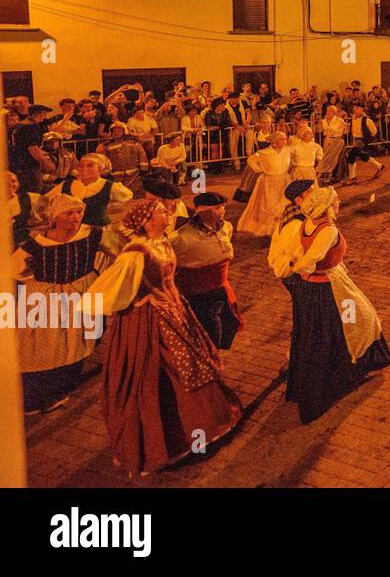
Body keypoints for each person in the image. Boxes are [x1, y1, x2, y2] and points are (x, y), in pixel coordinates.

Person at [88, 199, 242, 477]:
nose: (167, 214)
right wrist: (136, 303)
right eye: (160, 212)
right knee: (155, 378)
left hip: (175, 311)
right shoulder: (135, 254)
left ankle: (198, 428)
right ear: (146, 222)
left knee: (187, 370)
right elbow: (105, 293)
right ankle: (160, 444)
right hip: (148, 321)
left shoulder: (164, 242)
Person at [273, 187, 390, 423]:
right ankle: (342, 375)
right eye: (335, 201)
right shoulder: (328, 230)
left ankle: (316, 382)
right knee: (357, 322)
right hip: (326, 286)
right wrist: (303, 268)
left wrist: (299, 269)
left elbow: (298, 254)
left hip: (313, 287)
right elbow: (310, 260)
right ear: (326, 206)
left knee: (317, 335)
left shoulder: (306, 223)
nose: (338, 203)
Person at [11, 194, 108, 414]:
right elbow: (13, 270)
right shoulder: (34, 246)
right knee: (40, 349)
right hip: (46, 298)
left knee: (77, 342)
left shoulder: (93, 234)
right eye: (69, 213)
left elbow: (121, 249)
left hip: (81, 293)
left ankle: (62, 388)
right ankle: (36, 397)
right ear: (55, 218)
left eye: (79, 212)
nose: (76, 217)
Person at [172, 192, 242, 350]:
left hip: (220, 288)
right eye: (217, 208)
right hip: (197, 293)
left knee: (226, 325)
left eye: (223, 207)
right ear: (200, 210)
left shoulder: (226, 227)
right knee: (209, 330)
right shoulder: (182, 237)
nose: (223, 211)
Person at [53, 153, 132, 228]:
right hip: (72, 233)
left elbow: (126, 197)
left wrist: (110, 204)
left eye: (90, 166)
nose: (84, 169)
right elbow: (46, 201)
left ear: (100, 169)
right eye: (81, 166)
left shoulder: (109, 186)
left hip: (98, 231)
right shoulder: (67, 185)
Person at [236, 131, 293, 236]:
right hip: (269, 182)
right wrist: (260, 169)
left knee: (284, 203)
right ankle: (268, 226)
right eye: (281, 139)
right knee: (268, 205)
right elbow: (251, 160)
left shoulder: (288, 151)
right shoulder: (264, 153)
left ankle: (283, 225)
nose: (284, 141)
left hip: (284, 181)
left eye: (285, 139)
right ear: (274, 141)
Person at [345, 106, 386, 182]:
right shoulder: (353, 119)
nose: (355, 109)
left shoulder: (366, 120)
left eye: (357, 108)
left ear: (362, 110)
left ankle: (352, 177)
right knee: (362, 156)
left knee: (351, 154)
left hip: (363, 140)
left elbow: (374, 131)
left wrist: (367, 139)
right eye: (354, 108)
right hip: (356, 139)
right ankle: (380, 167)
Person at [316, 106, 350, 185]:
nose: (328, 112)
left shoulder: (339, 120)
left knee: (335, 159)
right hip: (328, 141)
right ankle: (326, 176)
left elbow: (347, 128)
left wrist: (343, 132)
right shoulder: (324, 121)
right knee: (326, 158)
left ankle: (335, 177)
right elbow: (320, 130)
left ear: (334, 112)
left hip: (337, 141)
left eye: (330, 111)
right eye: (327, 110)